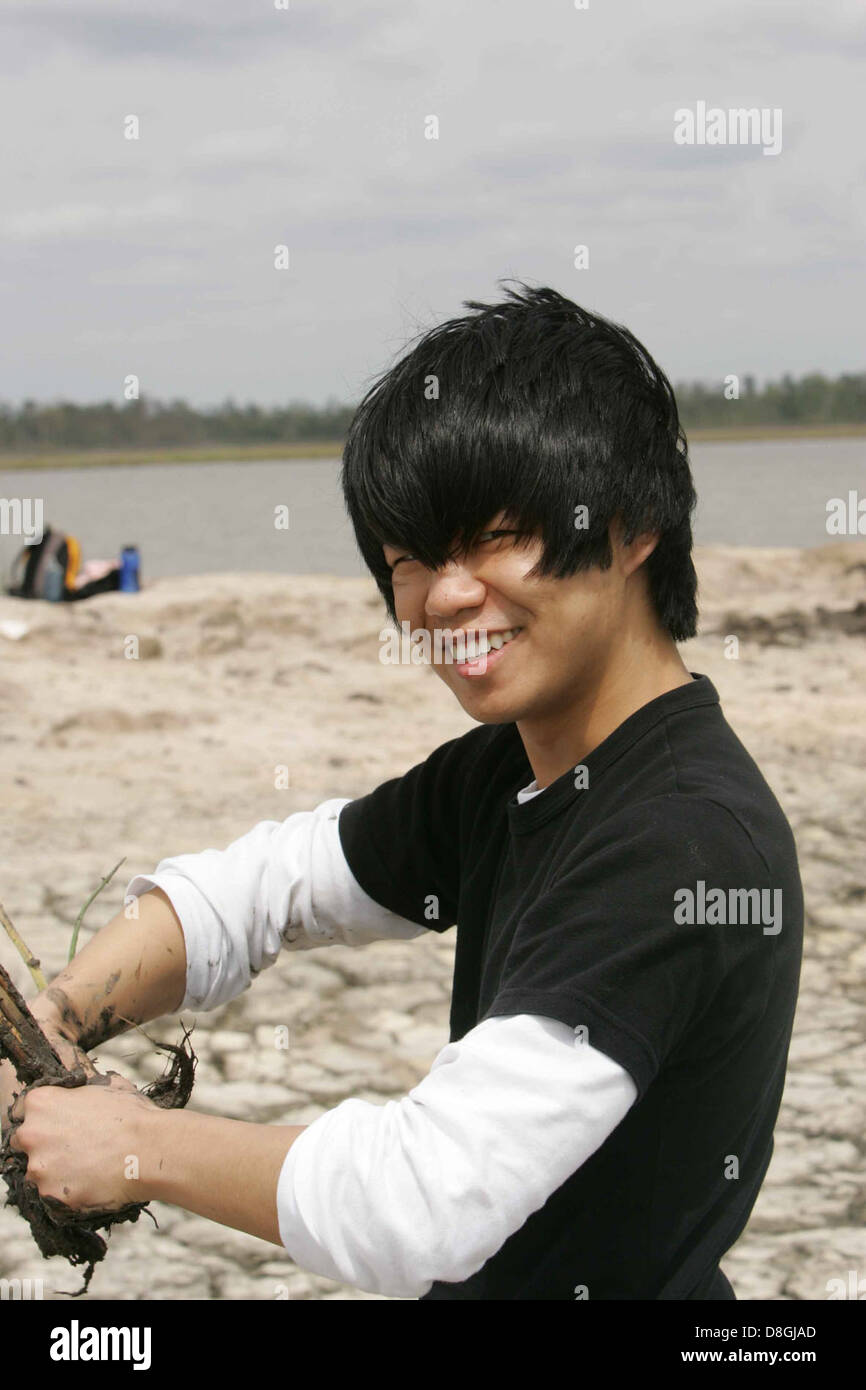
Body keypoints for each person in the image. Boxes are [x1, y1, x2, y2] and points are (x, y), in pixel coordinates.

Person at [0, 282, 803, 1300]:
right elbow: (273, 882)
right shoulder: (516, 764)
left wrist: (137, 1146)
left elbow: (424, 1203)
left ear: (633, 522)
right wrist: (56, 1019)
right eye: (409, 559)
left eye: (493, 537)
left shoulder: (682, 839)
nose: (444, 595)